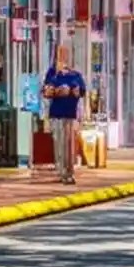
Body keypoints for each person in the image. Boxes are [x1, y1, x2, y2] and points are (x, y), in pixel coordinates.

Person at [43, 46, 86, 185]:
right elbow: (46, 91)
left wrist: (74, 92)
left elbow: (82, 91)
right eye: (60, 55)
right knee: (59, 143)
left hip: (70, 114)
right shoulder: (53, 73)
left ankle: (69, 171)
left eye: (65, 55)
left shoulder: (75, 75)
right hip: (56, 113)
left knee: (69, 144)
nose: (63, 58)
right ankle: (61, 171)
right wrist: (57, 91)